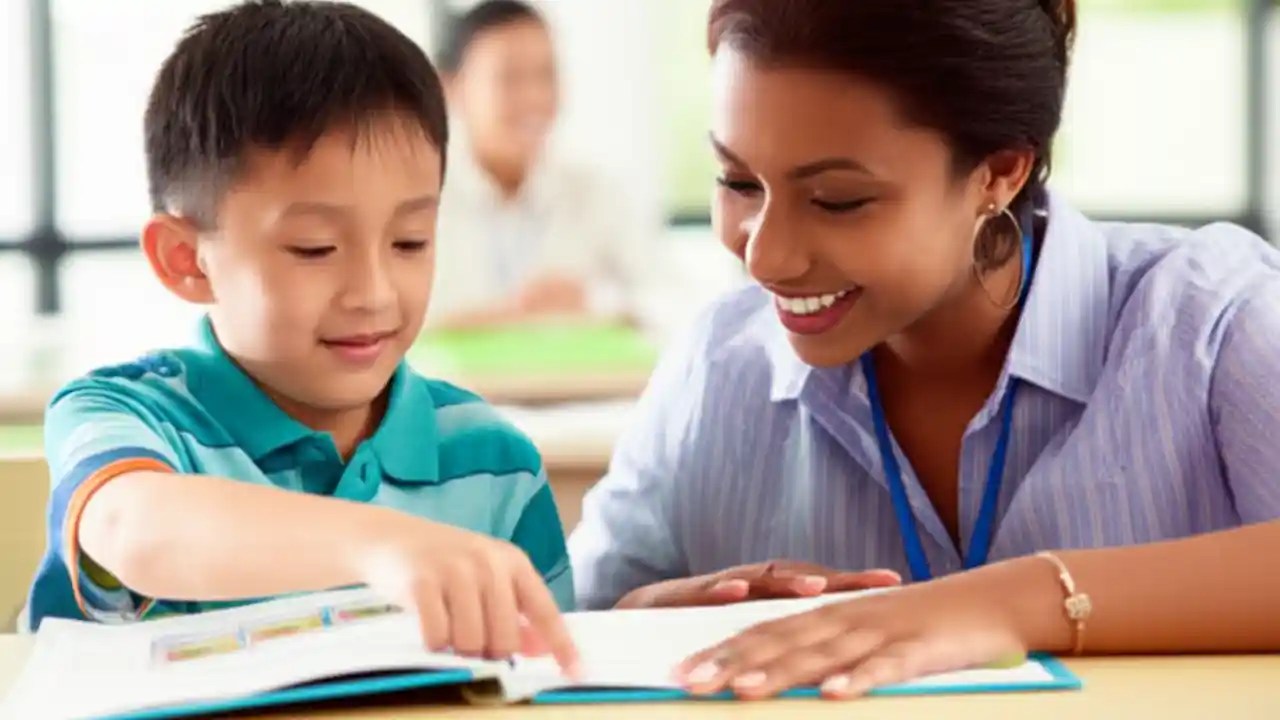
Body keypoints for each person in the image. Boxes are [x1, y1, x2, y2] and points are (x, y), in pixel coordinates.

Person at [568, 0, 1280, 695]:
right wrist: (644, 623)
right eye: (737, 182)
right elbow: (562, 630)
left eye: (837, 199)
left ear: (999, 173)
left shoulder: (1210, 321)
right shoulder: (718, 367)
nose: (765, 257)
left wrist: (1007, 603)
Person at [26, 0, 577, 675]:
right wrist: (382, 545)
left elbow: (549, 681)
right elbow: (132, 530)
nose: (373, 291)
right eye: (315, 248)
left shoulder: (493, 462)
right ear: (185, 260)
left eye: (410, 241)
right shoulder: (124, 414)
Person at [430, 0, 660, 329]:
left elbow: (672, 300)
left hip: (575, 381)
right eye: (510, 78)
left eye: (546, 75)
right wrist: (477, 318)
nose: (535, 97)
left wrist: (592, 301)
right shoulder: (420, 196)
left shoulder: (594, 193)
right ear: (452, 87)